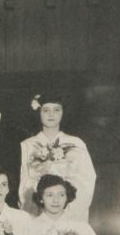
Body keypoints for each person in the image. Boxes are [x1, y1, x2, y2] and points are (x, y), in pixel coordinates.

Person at [19, 93, 97, 222]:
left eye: (56, 110)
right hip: (38, 206)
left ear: (62, 113)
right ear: (39, 113)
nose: (51, 115)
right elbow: (24, 179)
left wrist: (65, 199)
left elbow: (87, 179)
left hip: (68, 207)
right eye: (46, 110)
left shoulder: (76, 143)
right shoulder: (27, 145)